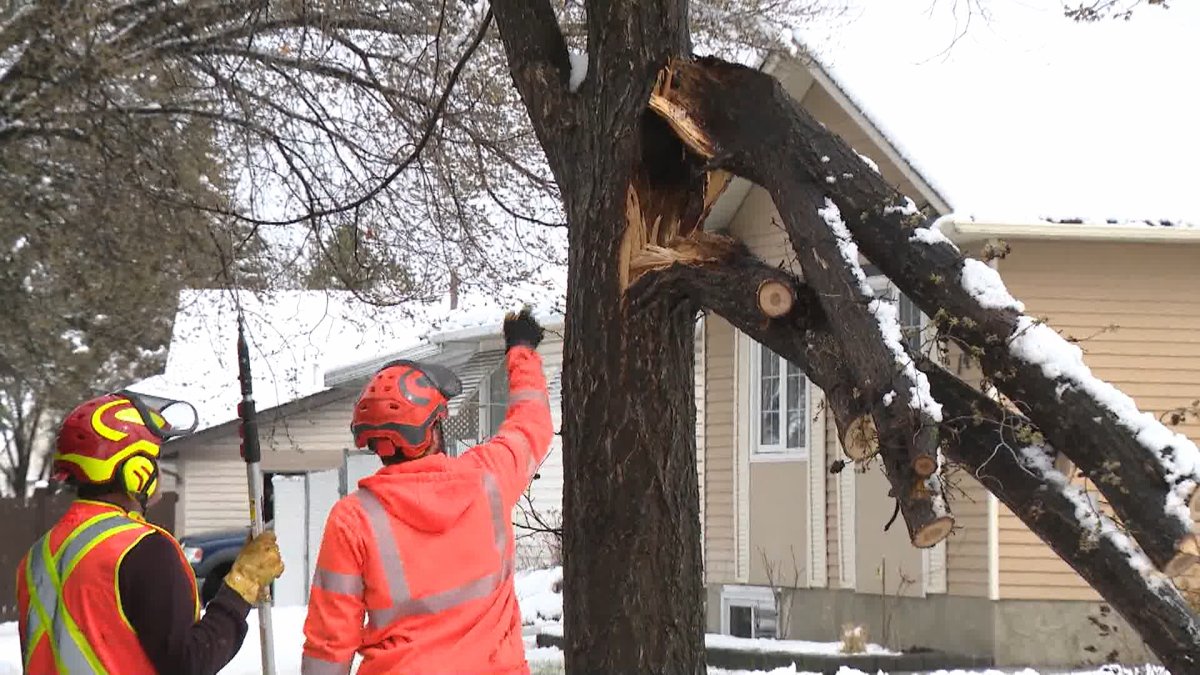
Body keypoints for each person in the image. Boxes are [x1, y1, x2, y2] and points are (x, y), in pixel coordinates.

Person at [301, 307, 553, 675]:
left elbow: (329, 646)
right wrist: (522, 350)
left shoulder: (353, 520)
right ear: (434, 427)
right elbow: (531, 425)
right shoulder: (488, 480)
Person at [16, 391, 285, 674]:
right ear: (136, 469)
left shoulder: (36, 558)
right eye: (154, 457)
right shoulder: (142, 550)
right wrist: (242, 585)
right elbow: (189, 662)